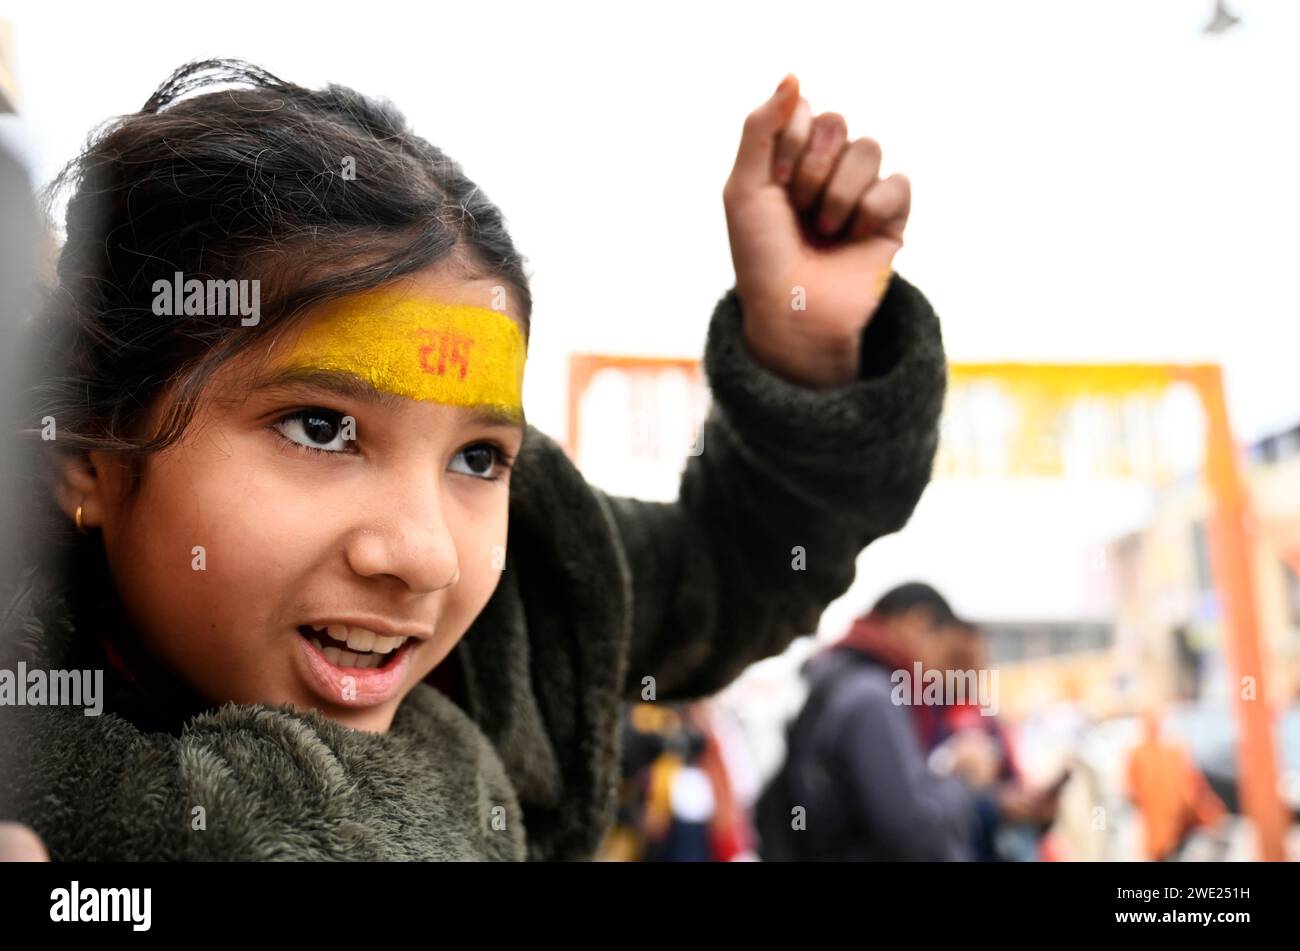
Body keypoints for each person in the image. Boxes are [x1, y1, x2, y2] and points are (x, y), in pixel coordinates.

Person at [0, 62, 948, 861]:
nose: (425, 555)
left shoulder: (538, 591)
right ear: (87, 450)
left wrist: (810, 354)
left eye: (479, 457)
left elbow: (735, 570)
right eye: (322, 429)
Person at [757, 583, 997, 860]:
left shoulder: (838, 677)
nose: (944, 671)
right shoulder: (873, 697)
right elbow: (911, 831)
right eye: (946, 653)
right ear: (919, 623)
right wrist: (962, 777)